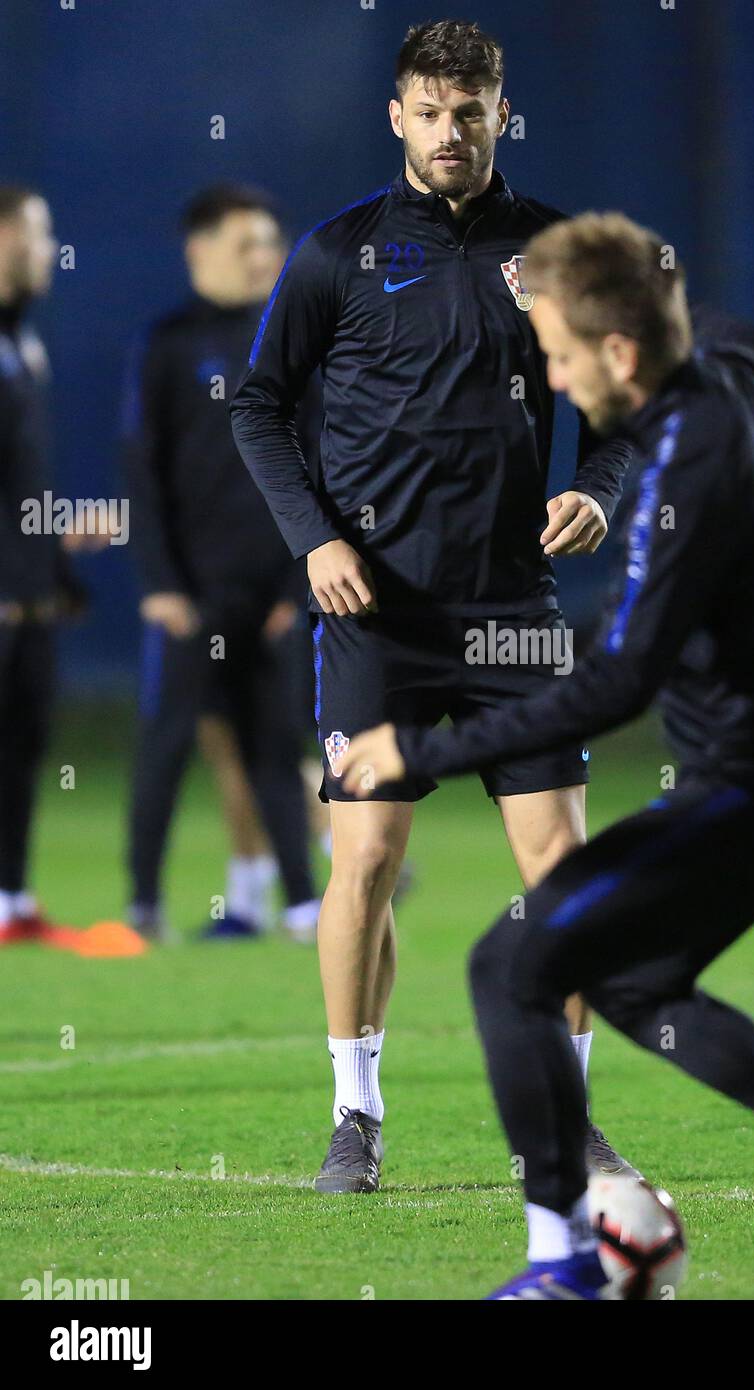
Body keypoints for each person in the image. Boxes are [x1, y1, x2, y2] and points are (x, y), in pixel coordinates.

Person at [338, 212, 754, 1299]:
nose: (554, 383)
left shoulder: (685, 468)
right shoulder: (729, 364)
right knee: (632, 978)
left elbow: (617, 681)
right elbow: (750, 335)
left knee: (506, 967)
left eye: (559, 356)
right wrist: (581, 274)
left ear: (617, 353)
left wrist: (419, 745)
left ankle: (565, 1263)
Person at [231, 20, 636, 1194]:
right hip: (378, 615)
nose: (449, 131)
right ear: (397, 116)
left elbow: (615, 408)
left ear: (500, 113)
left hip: (514, 605)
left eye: (471, 111)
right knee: (362, 856)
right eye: (428, 110)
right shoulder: (336, 254)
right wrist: (314, 542)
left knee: (560, 866)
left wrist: (598, 491)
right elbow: (257, 406)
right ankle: (355, 1115)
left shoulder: (557, 249)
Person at [123, 184, 321, 942]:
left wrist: (292, 581)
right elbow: (139, 468)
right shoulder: (167, 342)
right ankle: (144, 904)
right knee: (166, 747)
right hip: (189, 596)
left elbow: (315, 466)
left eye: (271, 243)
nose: (263, 258)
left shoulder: (293, 341)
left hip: (266, 590)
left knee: (274, 747)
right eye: (246, 244)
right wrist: (161, 586)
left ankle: (300, 902)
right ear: (198, 251)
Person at [0, 186, 85, 944]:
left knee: (24, 744)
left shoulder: (23, 340)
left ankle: (12, 901)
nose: (46, 250)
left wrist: (56, 559)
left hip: (29, 595)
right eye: (35, 233)